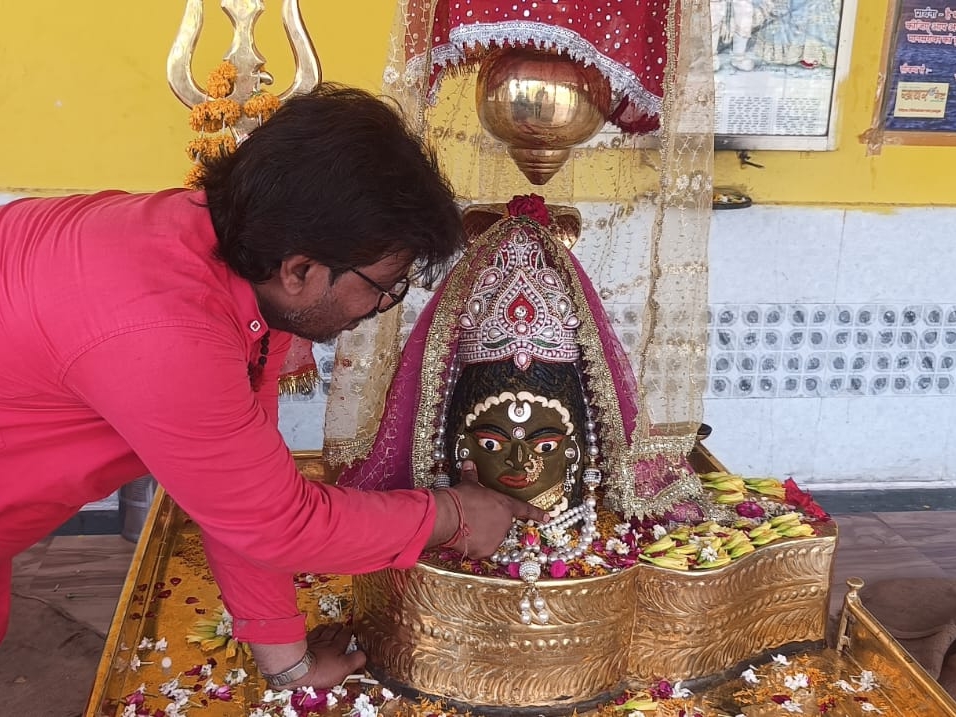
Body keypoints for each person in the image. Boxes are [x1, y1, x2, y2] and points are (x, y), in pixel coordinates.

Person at [0, 84, 548, 689]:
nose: (384, 305)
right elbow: (277, 522)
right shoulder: (169, 326)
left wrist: (287, 664)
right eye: (383, 284)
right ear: (301, 270)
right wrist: (448, 515)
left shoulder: (228, 262)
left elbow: (241, 498)